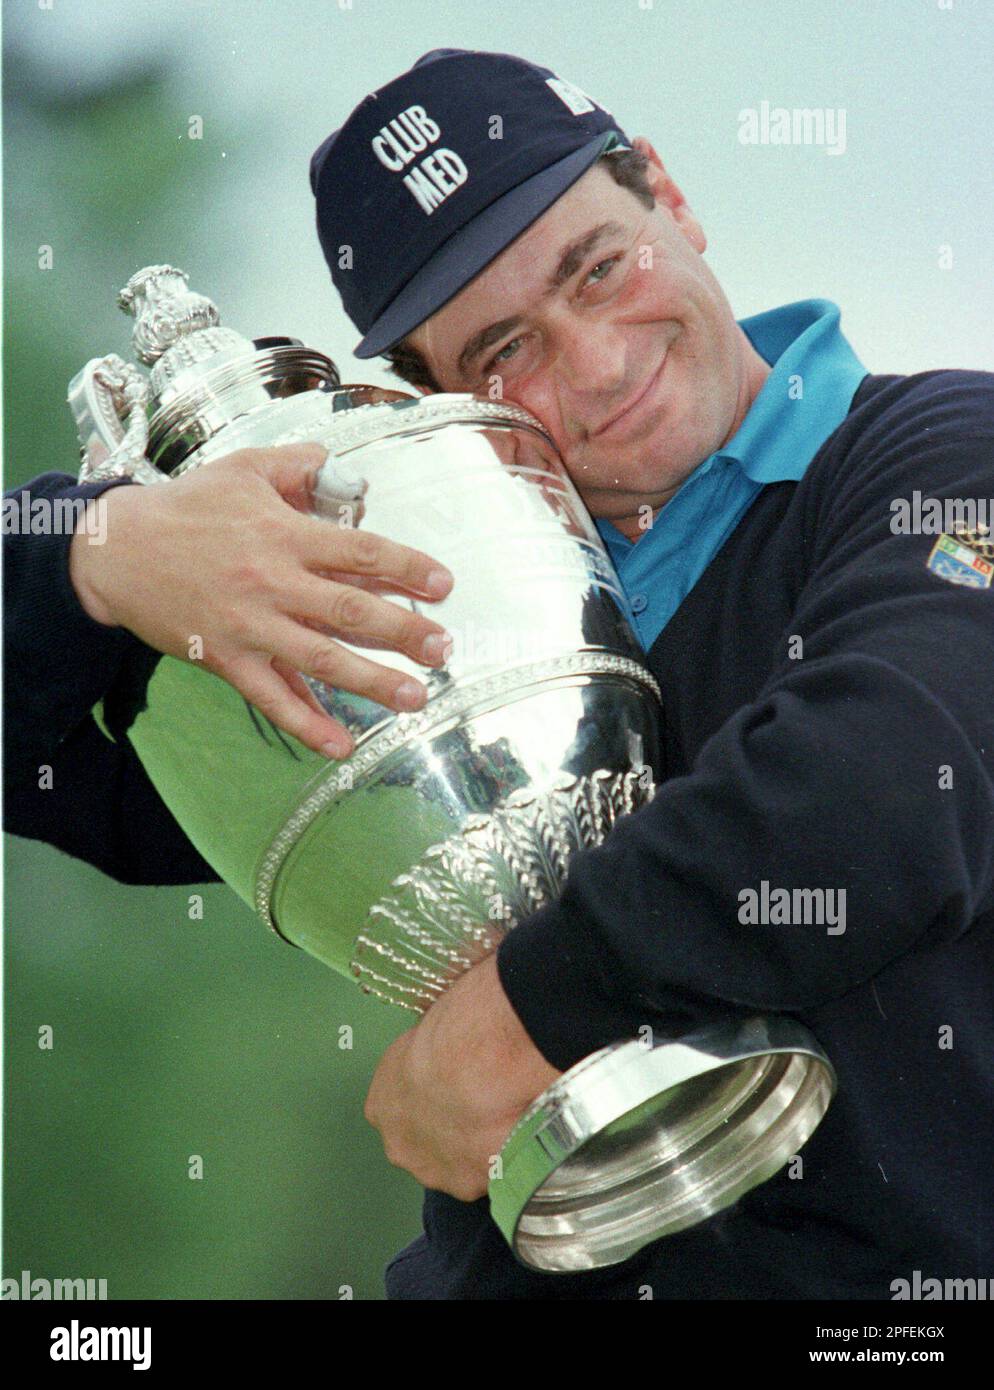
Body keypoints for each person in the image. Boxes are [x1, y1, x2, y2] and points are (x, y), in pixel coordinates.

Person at [5, 47, 993, 1300]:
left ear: (669, 200)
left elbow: (891, 785)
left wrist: (533, 1005)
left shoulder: (943, 454)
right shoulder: (413, 618)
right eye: (502, 348)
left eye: (597, 267)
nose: (591, 363)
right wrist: (100, 555)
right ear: (428, 397)